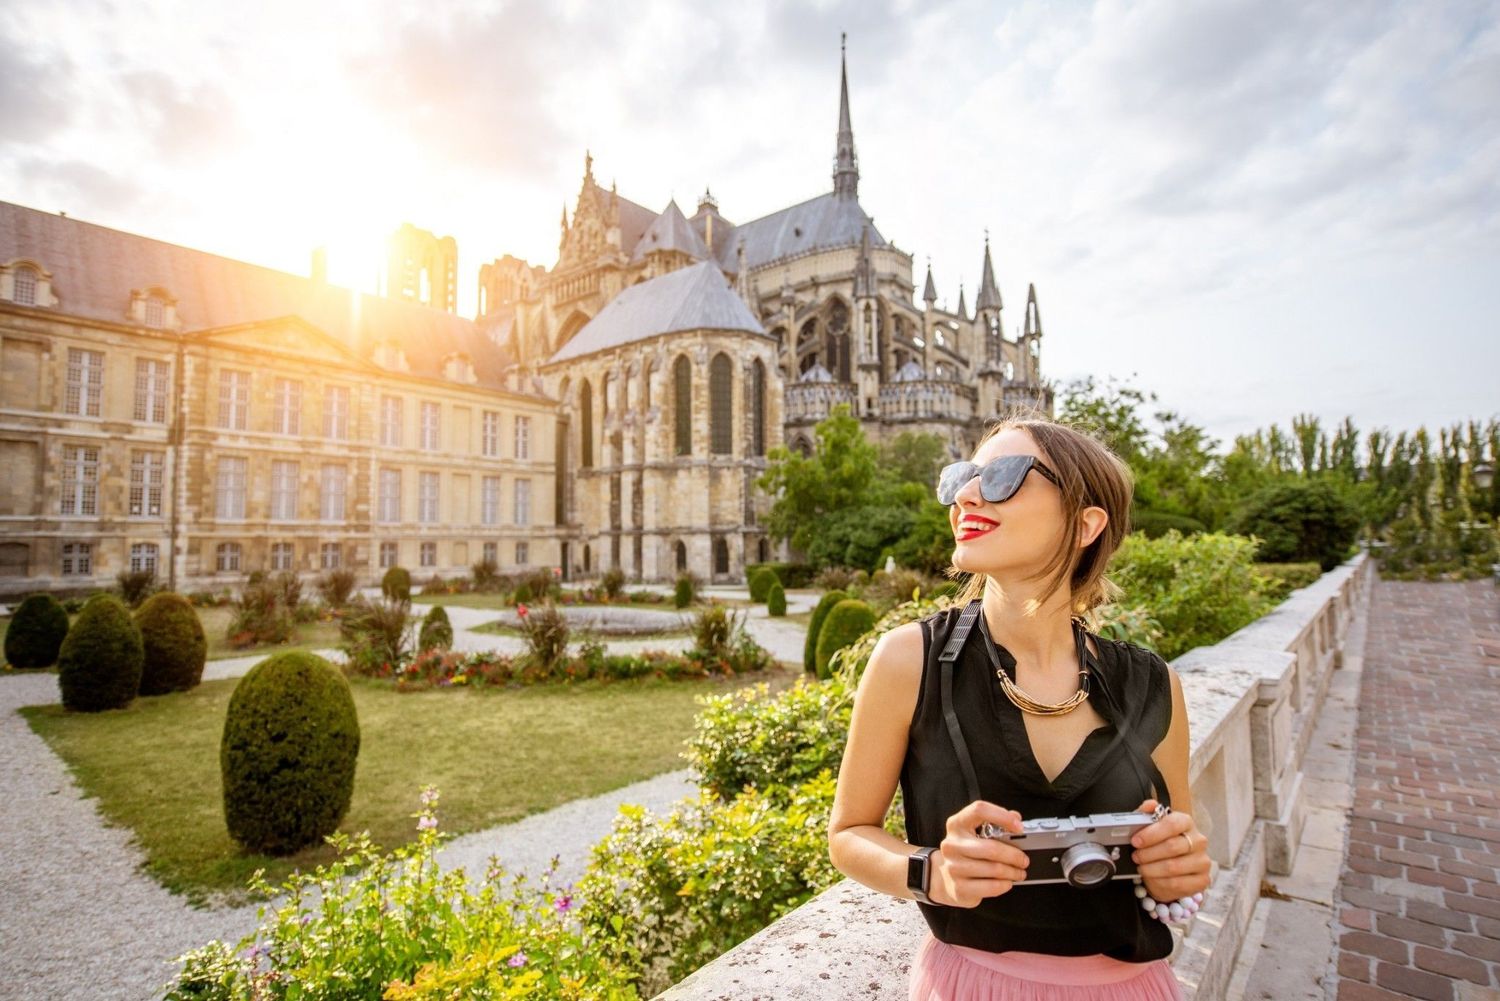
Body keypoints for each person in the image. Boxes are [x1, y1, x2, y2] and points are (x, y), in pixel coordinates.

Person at [828, 416, 1212, 1000]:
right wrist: (931, 872)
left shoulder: (1154, 683)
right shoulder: (911, 659)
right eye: (963, 477)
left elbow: (1178, 853)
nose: (966, 495)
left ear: (1086, 524)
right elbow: (849, 833)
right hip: (972, 988)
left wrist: (1175, 872)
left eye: (1004, 476)